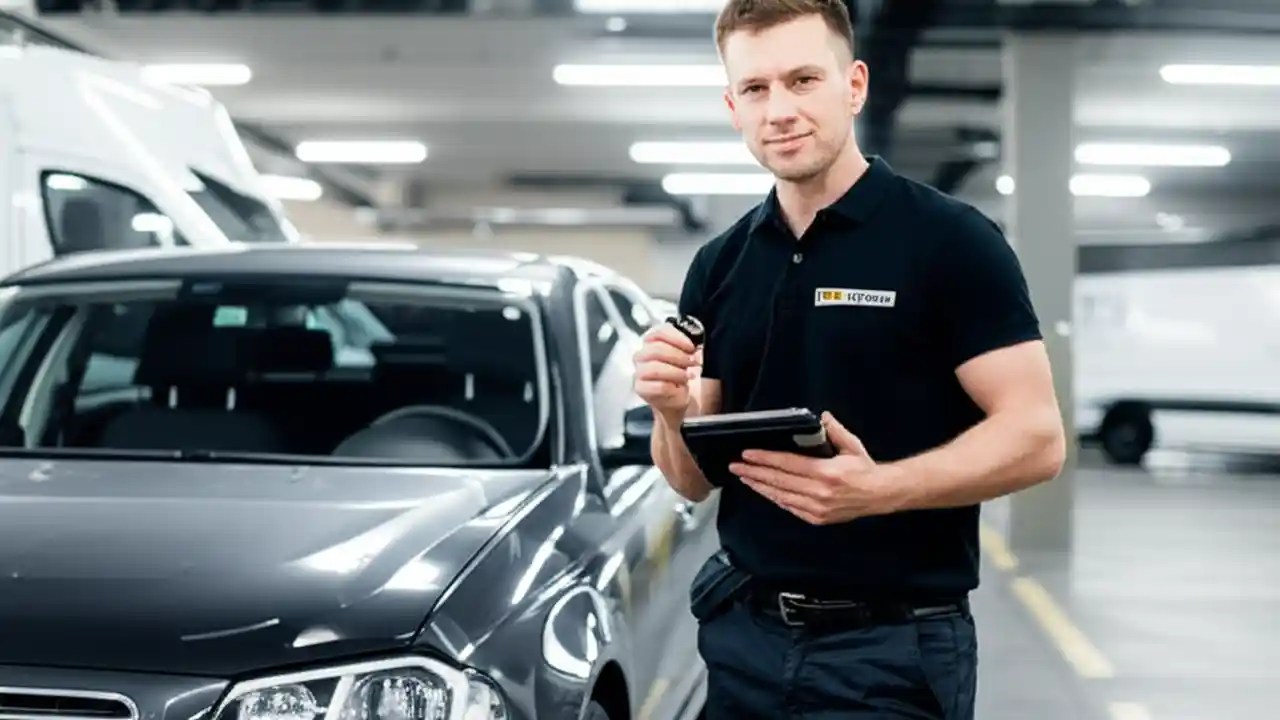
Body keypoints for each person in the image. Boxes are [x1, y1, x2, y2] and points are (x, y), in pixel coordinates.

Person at [631, 0, 1068, 718]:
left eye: (804, 80)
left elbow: (1037, 437)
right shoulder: (719, 264)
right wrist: (669, 409)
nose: (780, 110)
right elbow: (691, 481)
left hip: (892, 651)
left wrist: (880, 489)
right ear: (732, 106)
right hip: (742, 636)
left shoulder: (949, 241)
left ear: (855, 85)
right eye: (756, 89)